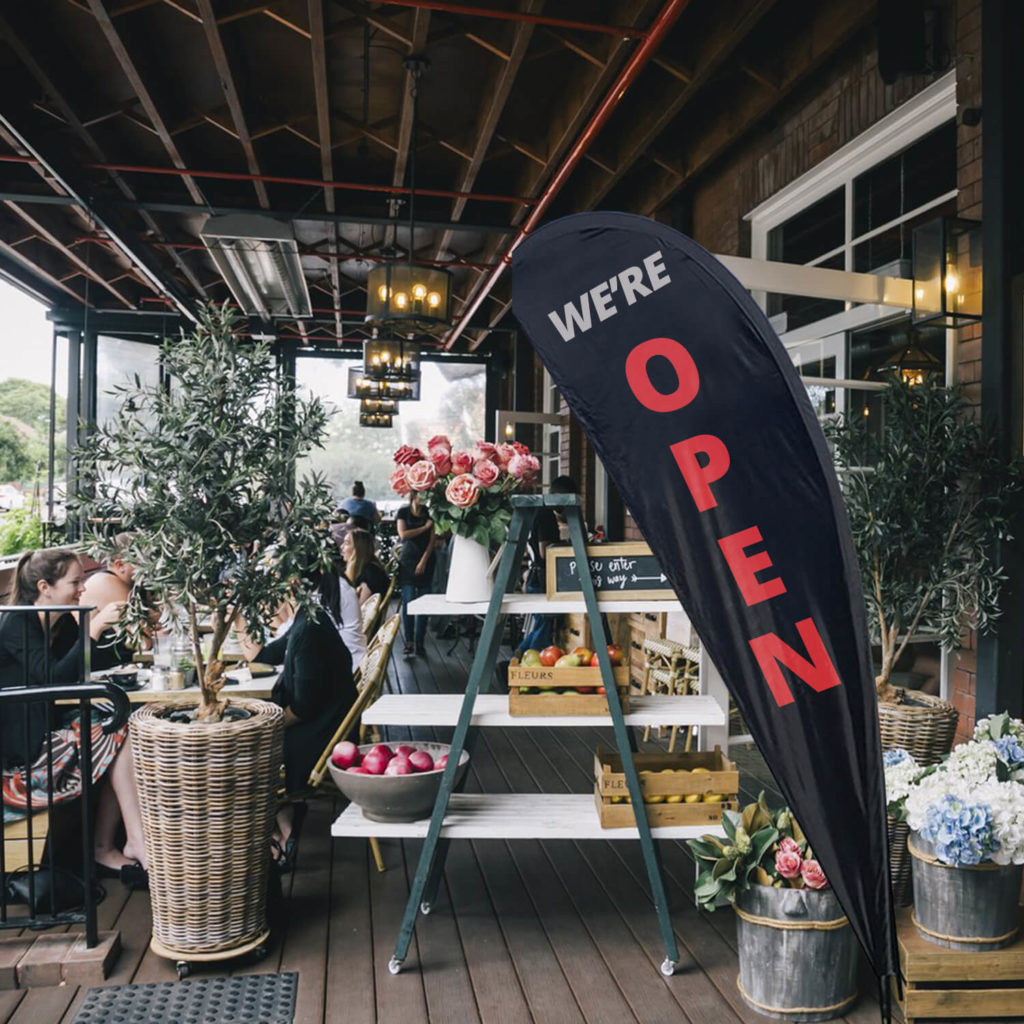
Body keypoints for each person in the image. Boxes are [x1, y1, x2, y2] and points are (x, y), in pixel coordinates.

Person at [0, 549, 149, 886]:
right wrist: (92, 626)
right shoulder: (17, 623)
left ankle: (116, 843)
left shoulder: (60, 617)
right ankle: (118, 843)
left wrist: (114, 632)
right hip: (22, 746)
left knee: (124, 725)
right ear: (44, 587)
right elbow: (55, 680)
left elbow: (85, 663)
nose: (83, 588)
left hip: (45, 724)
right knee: (117, 731)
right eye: (75, 581)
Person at [240, 570, 357, 871]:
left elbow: (304, 708)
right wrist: (239, 620)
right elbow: (265, 655)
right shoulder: (308, 616)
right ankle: (283, 818)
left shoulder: (309, 631)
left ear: (290, 585)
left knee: (241, 749)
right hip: (325, 720)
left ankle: (276, 831)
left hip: (320, 735)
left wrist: (264, 726)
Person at [515, 475, 577, 658]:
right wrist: (567, 546)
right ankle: (521, 668)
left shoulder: (537, 512)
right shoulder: (546, 516)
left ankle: (514, 661)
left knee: (542, 625)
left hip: (535, 577)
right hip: (543, 578)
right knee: (543, 628)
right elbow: (546, 551)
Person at [396, 491, 435, 658]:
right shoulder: (403, 512)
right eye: (421, 494)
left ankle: (420, 642)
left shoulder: (429, 512)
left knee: (424, 604)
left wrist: (424, 560)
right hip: (407, 560)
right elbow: (403, 534)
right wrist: (423, 528)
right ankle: (409, 641)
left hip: (426, 560)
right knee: (408, 602)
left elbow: (432, 539)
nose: (424, 498)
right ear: (413, 496)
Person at [342, 528, 389, 607]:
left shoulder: (370, 573)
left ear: (358, 548)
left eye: (346, 543)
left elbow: (359, 608)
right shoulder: (364, 567)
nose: (341, 547)